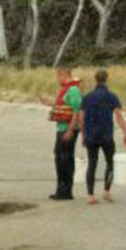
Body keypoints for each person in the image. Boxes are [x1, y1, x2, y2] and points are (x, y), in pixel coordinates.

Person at [76, 68, 126, 205]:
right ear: (106, 79)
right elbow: (118, 116)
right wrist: (125, 133)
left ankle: (90, 195)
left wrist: (83, 134)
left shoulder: (87, 97)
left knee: (92, 164)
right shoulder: (111, 96)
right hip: (106, 135)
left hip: (91, 135)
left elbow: (81, 117)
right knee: (110, 163)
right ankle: (106, 191)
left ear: (96, 79)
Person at [42, 67, 82, 200]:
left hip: (67, 129)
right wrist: (49, 103)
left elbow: (76, 111)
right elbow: (62, 105)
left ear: (63, 75)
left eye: (58, 77)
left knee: (65, 158)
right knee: (59, 157)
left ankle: (66, 190)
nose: (57, 79)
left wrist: (70, 130)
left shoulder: (74, 90)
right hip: (61, 127)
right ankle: (61, 189)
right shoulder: (66, 89)